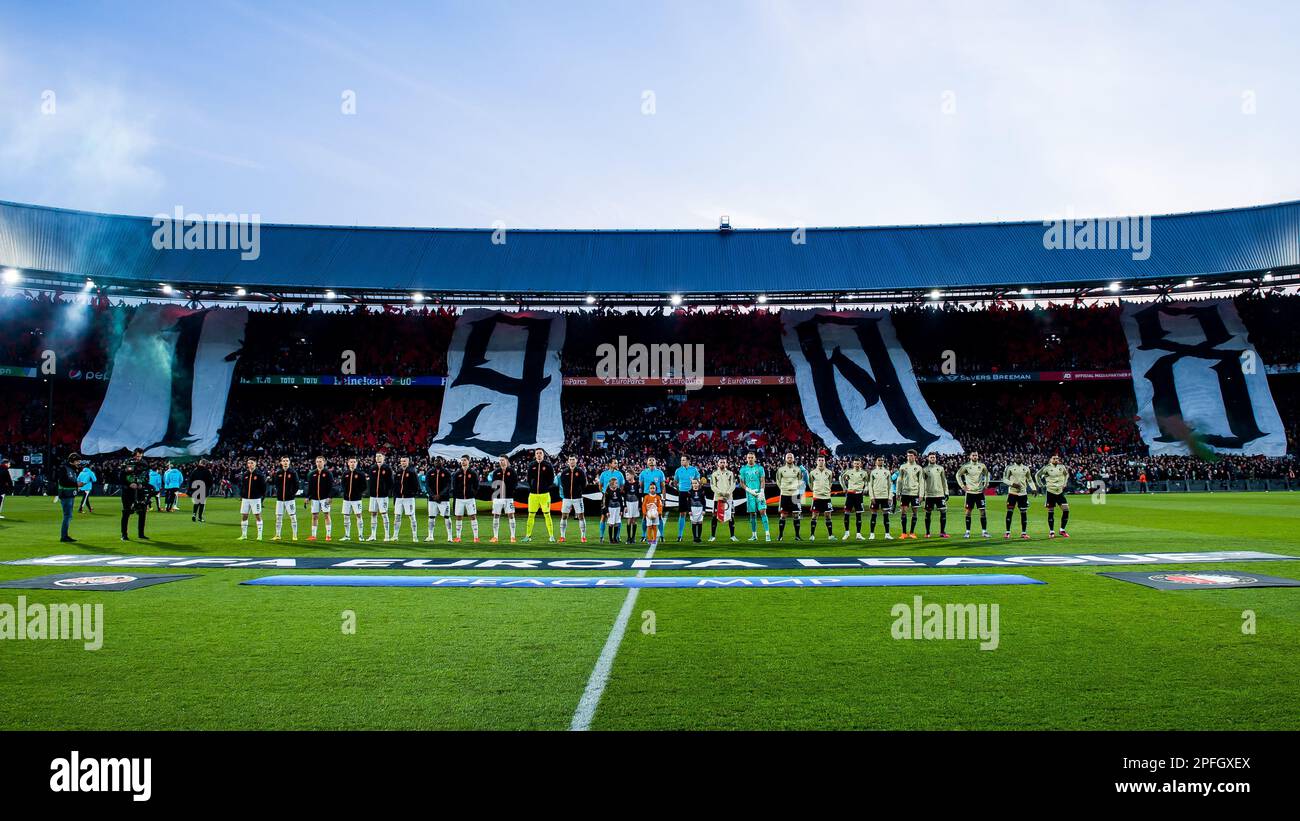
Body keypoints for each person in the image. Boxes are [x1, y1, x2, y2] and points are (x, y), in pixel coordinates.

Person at [523, 448, 556, 543]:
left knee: (547, 515)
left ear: (543, 455)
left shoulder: (548, 465)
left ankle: (551, 536)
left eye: (540, 453)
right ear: (535, 455)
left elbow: (551, 479)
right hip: (533, 495)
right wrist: (533, 486)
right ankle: (528, 536)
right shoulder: (531, 465)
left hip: (544, 495)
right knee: (530, 515)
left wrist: (545, 486)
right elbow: (529, 479)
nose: (538, 455)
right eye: (537, 453)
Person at [956, 451, 991, 539]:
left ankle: (984, 532)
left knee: (983, 512)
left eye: (976, 455)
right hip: (970, 493)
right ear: (970, 456)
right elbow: (958, 475)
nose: (975, 456)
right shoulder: (966, 466)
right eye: (973, 455)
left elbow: (987, 474)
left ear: (978, 456)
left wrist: (986, 484)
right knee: (968, 512)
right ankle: (967, 532)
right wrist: (962, 486)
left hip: (979, 493)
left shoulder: (982, 466)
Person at [1035, 455, 1071, 538]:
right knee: (1051, 511)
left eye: (1057, 458)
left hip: (1060, 492)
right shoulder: (1046, 468)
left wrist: (1065, 483)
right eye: (1054, 458)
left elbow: (1066, 474)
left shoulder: (1062, 467)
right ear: (1050, 460)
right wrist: (1040, 485)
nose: (1056, 460)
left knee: (1066, 510)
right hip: (1050, 492)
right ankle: (1051, 531)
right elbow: (1037, 475)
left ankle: (1062, 530)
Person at [775, 452, 808, 542]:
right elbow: (778, 480)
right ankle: (780, 536)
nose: (789, 458)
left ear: (793, 459)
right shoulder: (781, 470)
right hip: (785, 494)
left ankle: (797, 536)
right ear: (785, 459)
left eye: (791, 457)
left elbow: (800, 480)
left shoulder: (798, 469)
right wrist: (782, 488)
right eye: (788, 457)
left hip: (795, 494)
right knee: (783, 515)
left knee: (796, 515)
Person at [120, 449, 151, 541]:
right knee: (126, 512)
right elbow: (121, 477)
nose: (138, 458)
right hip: (128, 491)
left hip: (140, 490)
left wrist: (143, 484)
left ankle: (141, 534)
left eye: (140, 456)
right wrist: (129, 484)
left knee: (142, 511)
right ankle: (124, 534)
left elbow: (146, 477)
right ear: (133, 455)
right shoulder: (127, 463)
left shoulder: (144, 464)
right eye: (137, 456)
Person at [1001, 456, 1035, 540]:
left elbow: (1030, 479)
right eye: (1017, 457)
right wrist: (1012, 484)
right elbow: (1004, 479)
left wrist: (1034, 488)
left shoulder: (1026, 468)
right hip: (1012, 493)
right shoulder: (1010, 468)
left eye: (1020, 457)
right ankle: (1007, 532)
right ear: (1014, 459)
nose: (1018, 459)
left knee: (1023, 513)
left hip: (1023, 494)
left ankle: (1024, 533)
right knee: (1010, 512)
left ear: (1022, 459)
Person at [556, 455, 588, 543]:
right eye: (570, 459)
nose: (572, 461)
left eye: (573, 459)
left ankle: (583, 537)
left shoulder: (580, 472)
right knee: (564, 516)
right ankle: (562, 536)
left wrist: (578, 491)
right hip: (566, 498)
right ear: (568, 461)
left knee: (581, 516)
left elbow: (584, 484)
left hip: (578, 498)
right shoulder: (564, 472)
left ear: (576, 461)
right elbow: (562, 484)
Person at [487, 455, 518, 544]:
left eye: (502, 460)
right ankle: (495, 536)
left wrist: (510, 491)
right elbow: (493, 484)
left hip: (508, 497)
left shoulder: (512, 472)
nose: (501, 462)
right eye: (500, 460)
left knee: (511, 515)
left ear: (507, 461)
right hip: (498, 497)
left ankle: (513, 536)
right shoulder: (496, 472)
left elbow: (515, 484)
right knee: (496, 516)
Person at [739, 452, 770, 542]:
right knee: (752, 514)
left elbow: (763, 480)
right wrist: (749, 490)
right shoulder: (743, 469)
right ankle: (754, 535)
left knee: (763, 512)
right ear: (746, 458)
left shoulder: (760, 468)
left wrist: (762, 492)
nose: (750, 459)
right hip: (750, 494)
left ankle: (767, 534)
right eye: (749, 457)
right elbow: (741, 483)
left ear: (755, 458)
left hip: (759, 493)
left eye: (752, 457)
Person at [451, 454, 480, 543]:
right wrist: (456, 495)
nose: (463, 462)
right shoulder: (457, 473)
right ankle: (458, 537)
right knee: (459, 517)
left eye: (465, 460)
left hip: (470, 499)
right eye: (462, 460)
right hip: (459, 499)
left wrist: (472, 493)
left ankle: (476, 537)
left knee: (473, 516)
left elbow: (477, 485)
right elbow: (454, 486)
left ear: (468, 461)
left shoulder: (473, 473)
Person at [269, 456, 300, 541]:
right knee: (278, 517)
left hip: (290, 500)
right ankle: (278, 535)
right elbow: (275, 484)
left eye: (287, 461)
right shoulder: (278, 473)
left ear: (289, 462)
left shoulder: (293, 473)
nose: (285, 462)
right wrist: (271, 477)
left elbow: (297, 485)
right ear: (281, 462)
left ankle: (294, 535)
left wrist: (291, 494)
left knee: (293, 517)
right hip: (279, 499)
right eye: (284, 461)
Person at [392, 455, 421, 542]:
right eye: (402, 461)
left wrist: (412, 493)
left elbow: (416, 485)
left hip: (409, 498)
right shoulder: (398, 472)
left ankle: (415, 536)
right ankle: (395, 535)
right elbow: (395, 485)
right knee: (397, 516)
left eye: (404, 461)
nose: (403, 462)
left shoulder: (412, 472)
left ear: (408, 462)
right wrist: (395, 496)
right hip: (399, 498)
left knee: (412, 516)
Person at [671, 455, 700, 543]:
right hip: (682, 493)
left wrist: (695, 486)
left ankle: (695, 536)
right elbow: (675, 482)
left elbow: (698, 481)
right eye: (681, 460)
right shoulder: (678, 470)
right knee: (682, 514)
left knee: (693, 514)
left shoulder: (694, 470)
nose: (681, 461)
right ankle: (680, 535)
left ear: (688, 461)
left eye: (683, 460)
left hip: (692, 493)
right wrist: (679, 489)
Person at [305, 455, 335, 541]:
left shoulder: (328, 473)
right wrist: (308, 497)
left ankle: (328, 535)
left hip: (325, 498)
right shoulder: (312, 474)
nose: (319, 463)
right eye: (317, 461)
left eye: (320, 461)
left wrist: (330, 497)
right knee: (314, 516)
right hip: (314, 498)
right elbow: (310, 487)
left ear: (324, 462)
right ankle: (313, 535)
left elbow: (332, 486)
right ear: (315, 462)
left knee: (326, 515)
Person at [895, 450, 924, 540]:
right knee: (903, 512)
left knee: (914, 512)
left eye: (911, 455)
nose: (909, 457)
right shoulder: (903, 467)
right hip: (905, 493)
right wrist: (897, 492)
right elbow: (899, 480)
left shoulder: (919, 468)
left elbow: (921, 481)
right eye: (908, 456)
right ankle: (904, 533)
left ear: (915, 456)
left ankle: (912, 532)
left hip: (915, 493)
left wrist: (921, 494)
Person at [708, 457, 737, 542]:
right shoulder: (714, 474)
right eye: (721, 462)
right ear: (718, 464)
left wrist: (728, 492)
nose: (722, 464)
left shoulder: (731, 473)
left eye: (724, 462)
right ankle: (712, 536)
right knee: (714, 516)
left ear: (726, 464)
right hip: (718, 498)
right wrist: (720, 493)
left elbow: (733, 484)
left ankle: (732, 536)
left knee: (731, 516)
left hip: (729, 498)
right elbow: (712, 486)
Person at [637, 458, 667, 543]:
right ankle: (644, 535)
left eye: (653, 460)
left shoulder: (660, 473)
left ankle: (661, 535)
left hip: (657, 496)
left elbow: (663, 487)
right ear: (647, 462)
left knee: (659, 516)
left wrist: (663, 499)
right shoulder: (643, 473)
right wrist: (642, 497)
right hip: (646, 496)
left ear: (656, 462)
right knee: (645, 517)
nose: (651, 462)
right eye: (649, 460)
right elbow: (641, 486)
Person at [424, 457, 453, 542]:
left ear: (442, 462)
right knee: (431, 517)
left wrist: (440, 495)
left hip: (444, 499)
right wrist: (433, 495)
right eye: (436, 461)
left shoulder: (446, 472)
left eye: (439, 461)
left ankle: (450, 536)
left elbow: (448, 485)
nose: (437, 462)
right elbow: (427, 485)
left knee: (447, 517)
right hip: (432, 499)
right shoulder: (430, 472)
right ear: (434, 462)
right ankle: (430, 536)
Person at [921, 452, 949, 539]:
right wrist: (922, 494)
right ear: (928, 458)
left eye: (934, 457)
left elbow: (944, 481)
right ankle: (928, 532)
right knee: (928, 513)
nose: (932, 458)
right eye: (931, 457)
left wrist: (946, 492)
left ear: (935, 458)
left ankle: (942, 532)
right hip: (929, 495)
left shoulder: (940, 468)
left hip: (940, 494)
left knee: (943, 512)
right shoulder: (925, 469)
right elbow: (922, 483)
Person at [237, 458, 266, 541]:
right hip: (245, 499)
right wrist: (242, 495)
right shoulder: (245, 474)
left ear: (255, 464)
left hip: (255, 499)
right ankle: (244, 535)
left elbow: (263, 487)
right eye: (249, 463)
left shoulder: (259, 475)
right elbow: (242, 486)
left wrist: (261, 496)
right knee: (244, 516)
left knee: (257, 516)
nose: (250, 464)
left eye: (252, 463)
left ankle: (259, 536)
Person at [338, 457, 367, 541]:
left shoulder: (360, 474)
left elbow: (364, 486)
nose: (352, 463)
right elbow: (342, 485)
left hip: (357, 499)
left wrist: (358, 493)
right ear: (348, 463)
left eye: (354, 462)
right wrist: (346, 492)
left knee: (358, 515)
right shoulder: (345, 473)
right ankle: (347, 535)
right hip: (346, 499)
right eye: (351, 462)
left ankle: (360, 535)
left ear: (356, 463)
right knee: (346, 516)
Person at [839, 457, 868, 540]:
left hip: (859, 495)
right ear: (853, 464)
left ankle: (858, 534)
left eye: (858, 463)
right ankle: (846, 533)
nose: (856, 465)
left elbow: (867, 481)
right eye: (855, 463)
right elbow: (841, 478)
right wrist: (844, 487)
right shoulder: (849, 472)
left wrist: (866, 487)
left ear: (860, 463)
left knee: (858, 514)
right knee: (847, 513)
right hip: (850, 494)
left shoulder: (864, 473)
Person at [367, 452, 394, 542]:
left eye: (380, 456)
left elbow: (390, 482)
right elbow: (371, 482)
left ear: (384, 457)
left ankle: (387, 535)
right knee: (373, 514)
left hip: (383, 496)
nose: (378, 458)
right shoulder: (372, 468)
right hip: (373, 496)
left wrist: (387, 491)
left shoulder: (387, 468)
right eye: (376, 456)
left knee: (384, 514)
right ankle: (373, 535)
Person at [596, 458, 623, 543]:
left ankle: (617, 536)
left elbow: (622, 486)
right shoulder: (604, 474)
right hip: (606, 497)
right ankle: (601, 536)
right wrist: (606, 493)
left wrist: (616, 493)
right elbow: (600, 486)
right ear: (610, 464)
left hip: (616, 499)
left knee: (618, 518)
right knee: (603, 517)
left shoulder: (620, 474)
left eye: (617, 463)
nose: (616, 464)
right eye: (615, 463)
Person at [55, 453, 80, 543]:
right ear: (72, 460)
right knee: (67, 516)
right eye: (77, 461)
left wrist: (76, 487)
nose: (78, 463)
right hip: (66, 494)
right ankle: (64, 536)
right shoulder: (64, 469)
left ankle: (65, 536)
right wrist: (76, 484)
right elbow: (63, 482)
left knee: (68, 516)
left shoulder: (72, 469)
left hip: (70, 494)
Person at [867, 456, 893, 540]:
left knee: (886, 516)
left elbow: (890, 485)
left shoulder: (887, 472)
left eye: (882, 460)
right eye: (879, 460)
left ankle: (887, 534)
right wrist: (872, 496)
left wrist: (890, 497)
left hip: (885, 496)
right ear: (876, 462)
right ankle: (872, 534)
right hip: (876, 496)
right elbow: (870, 485)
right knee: (874, 515)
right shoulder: (873, 472)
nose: (881, 461)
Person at [621, 469, 641, 545]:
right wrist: (625, 506)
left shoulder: (637, 484)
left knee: (634, 520)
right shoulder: (625, 484)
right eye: (626, 475)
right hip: (628, 503)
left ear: (632, 475)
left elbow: (639, 496)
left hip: (635, 503)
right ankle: (628, 537)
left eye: (627, 475)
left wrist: (639, 505)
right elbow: (624, 495)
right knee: (629, 520)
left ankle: (633, 538)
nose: (626, 476)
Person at [686, 477, 708, 542]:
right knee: (694, 523)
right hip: (693, 508)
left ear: (698, 483)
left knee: (700, 522)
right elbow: (688, 502)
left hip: (700, 508)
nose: (694, 484)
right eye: (693, 483)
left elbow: (704, 501)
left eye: (696, 483)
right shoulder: (689, 492)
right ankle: (695, 537)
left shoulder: (702, 491)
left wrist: (704, 510)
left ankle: (699, 537)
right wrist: (689, 510)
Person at [603, 476, 623, 544]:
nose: (617, 484)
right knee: (611, 524)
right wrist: (607, 512)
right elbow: (605, 503)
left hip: (617, 508)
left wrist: (621, 510)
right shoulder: (608, 491)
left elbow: (620, 500)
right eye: (616, 483)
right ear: (612, 484)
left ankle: (615, 538)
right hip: (611, 509)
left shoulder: (618, 490)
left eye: (617, 483)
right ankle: (610, 539)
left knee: (617, 523)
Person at [642, 481, 663, 548]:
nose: (652, 489)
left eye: (653, 488)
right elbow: (644, 505)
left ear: (656, 489)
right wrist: (645, 513)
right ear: (649, 489)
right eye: (651, 488)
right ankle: (649, 539)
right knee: (649, 527)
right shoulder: (646, 497)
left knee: (654, 526)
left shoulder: (658, 497)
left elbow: (660, 505)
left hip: (655, 514)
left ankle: (654, 539)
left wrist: (659, 513)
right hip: (648, 514)